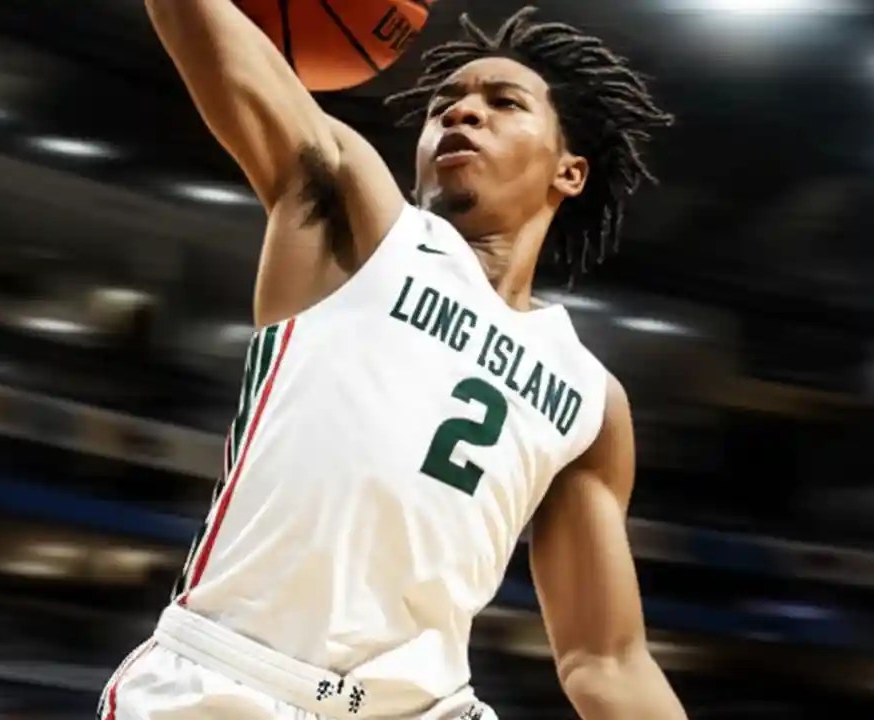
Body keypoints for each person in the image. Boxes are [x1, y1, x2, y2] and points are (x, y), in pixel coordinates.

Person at [99, 2, 688, 719]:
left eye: (502, 103)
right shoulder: (357, 220)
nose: (462, 114)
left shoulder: (591, 399)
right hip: (229, 683)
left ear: (569, 172)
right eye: (445, 104)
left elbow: (607, 661)